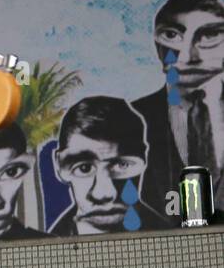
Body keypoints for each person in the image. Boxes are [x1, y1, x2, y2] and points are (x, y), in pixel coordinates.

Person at [132, 0, 224, 218]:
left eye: (209, 36)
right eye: (172, 36)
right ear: (158, 47)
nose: (189, 55)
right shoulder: (131, 118)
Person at [49, 97, 175, 235]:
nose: (104, 194)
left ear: (144, 158)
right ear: (59, 166)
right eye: (84, 168)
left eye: (122, 165)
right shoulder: (48, 244)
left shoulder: (169, 237)